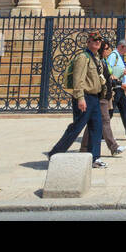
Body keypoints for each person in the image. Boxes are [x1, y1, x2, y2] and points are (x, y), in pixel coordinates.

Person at [46, 32, 108, 167]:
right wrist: (80, 98)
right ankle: (55, 153)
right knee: (77, 127)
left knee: (96, 128)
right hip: (84, 97)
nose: (98, 42)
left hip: (94, 98)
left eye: (99, 40)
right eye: (94, 40)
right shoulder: (83, 57)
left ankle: (94, 158)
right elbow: (78, 79)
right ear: (88, 42)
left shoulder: (96, 58)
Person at [82, 40, 126, 158]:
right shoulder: (98, 62)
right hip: (100, 96)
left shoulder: (104, 61)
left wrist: (118, 82)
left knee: (93, 122)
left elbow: (109, 76)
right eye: (107, 49)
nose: (109, 51)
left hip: (106, 95)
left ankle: (84, 148)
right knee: (105, 120)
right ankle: (113, 147)